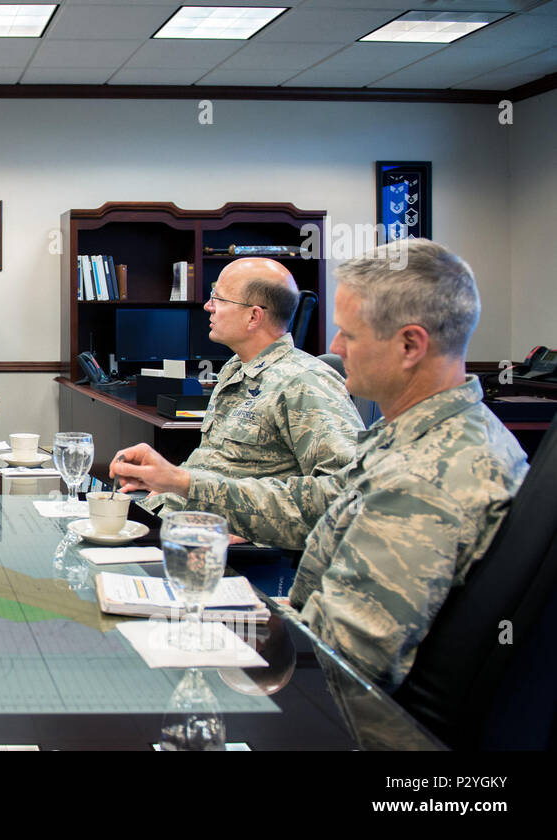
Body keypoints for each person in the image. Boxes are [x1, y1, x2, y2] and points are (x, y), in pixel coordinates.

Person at [111, 239, 528, 692]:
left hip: (319, 700)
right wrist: (185, 484)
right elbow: (322, 503)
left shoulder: (427, 478)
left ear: (410, 345)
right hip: (294, 644)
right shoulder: (412, 435)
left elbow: (341, 666)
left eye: (349, 334)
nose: (334, 346)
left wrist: (207, 632)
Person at [144, 258, 362, 514]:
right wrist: (171, 480)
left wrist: (256, 532)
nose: (208, 306)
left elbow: (347, 491)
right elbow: (223, 465)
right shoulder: (236, 368)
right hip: (174, 515)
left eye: (219, 299)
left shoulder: (304, 381)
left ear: (253, 316)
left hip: (219, 541)